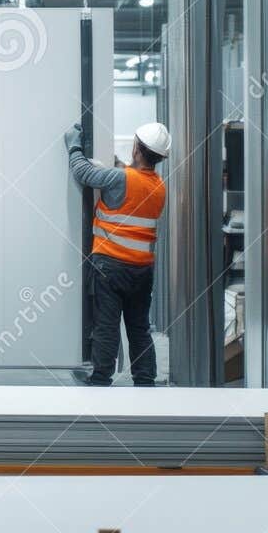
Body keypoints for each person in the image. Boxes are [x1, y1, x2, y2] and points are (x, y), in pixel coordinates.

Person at [65, 121, 170, 387]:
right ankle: (145, 380)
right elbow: (129, 188)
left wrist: (74, 145)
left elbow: (83, 173)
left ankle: (101, 378)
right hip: (142, 271)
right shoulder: (159, 188)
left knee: (106, 325)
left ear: (136, 148)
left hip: (110, 266)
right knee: (139, 328)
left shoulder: (120, 178)